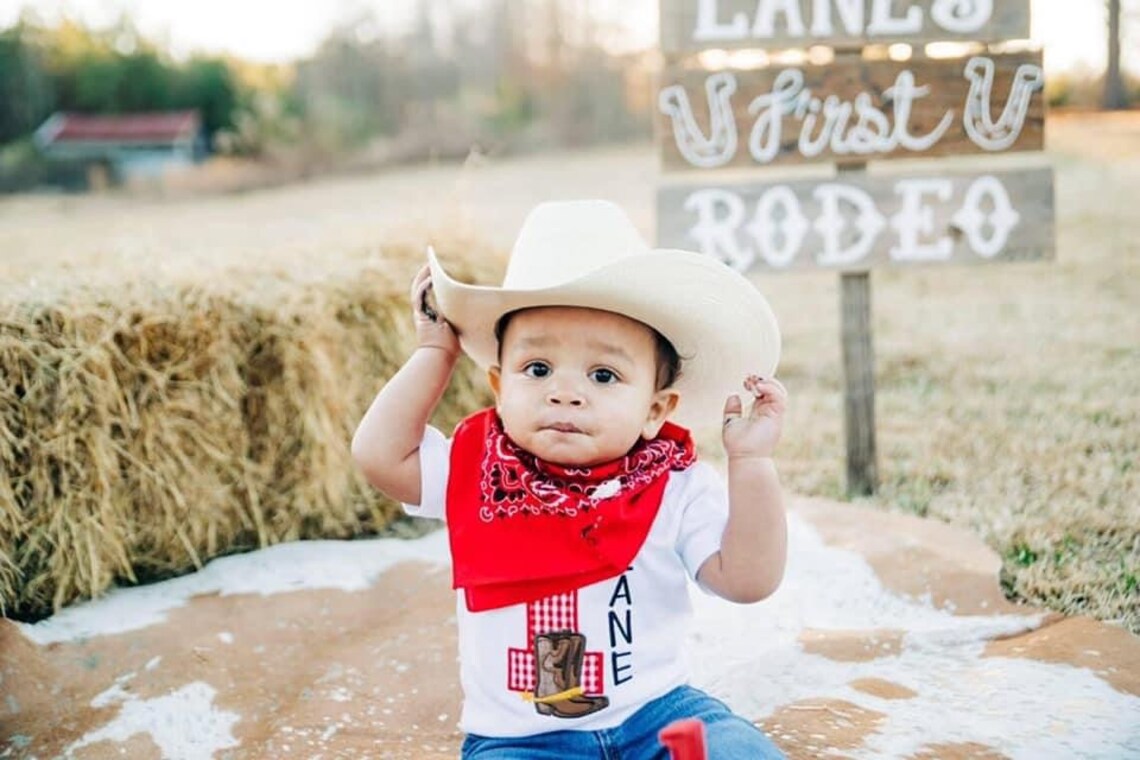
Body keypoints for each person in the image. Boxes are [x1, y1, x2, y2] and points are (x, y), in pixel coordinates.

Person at [352, 200, 788, 759]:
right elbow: (378, 454)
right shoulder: (476, 469)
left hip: (658, 714)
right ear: (499, 386)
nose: (565, 391)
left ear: (656, 410)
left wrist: (751, 464)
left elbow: (748, 580)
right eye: (537, 370)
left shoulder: (672, 482)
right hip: (521, 740)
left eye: (604, 375)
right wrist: (436, 353)